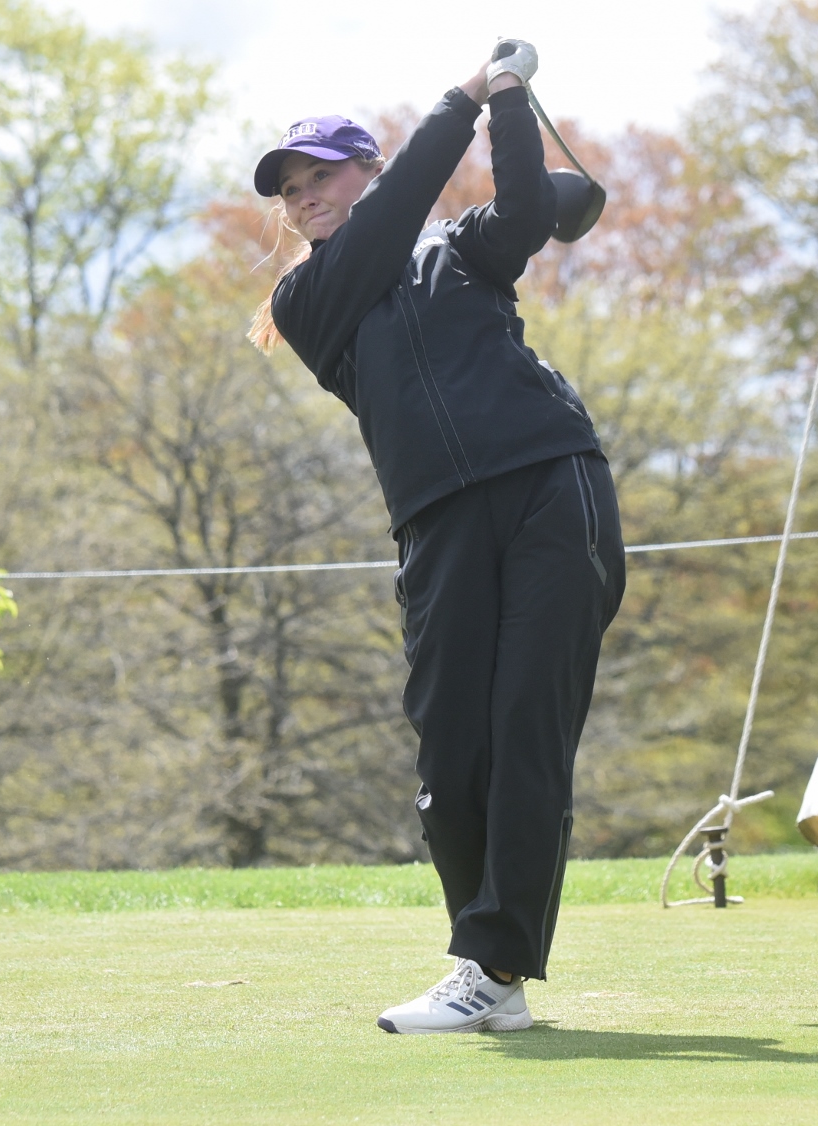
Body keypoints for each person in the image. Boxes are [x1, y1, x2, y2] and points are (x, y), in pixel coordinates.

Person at [248, 40, 625, 1034]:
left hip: (552, 485)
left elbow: (527, 213)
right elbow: (385, 228)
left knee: (526, 735)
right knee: (452, 756)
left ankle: (489, 972)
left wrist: (508, 95)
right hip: (438, 527)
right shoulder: (304, 301)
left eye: (317, 177)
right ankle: (488, 972)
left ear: (364, 169)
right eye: (288, 190)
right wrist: (458, 100)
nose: (300, 199)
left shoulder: (461, 249)